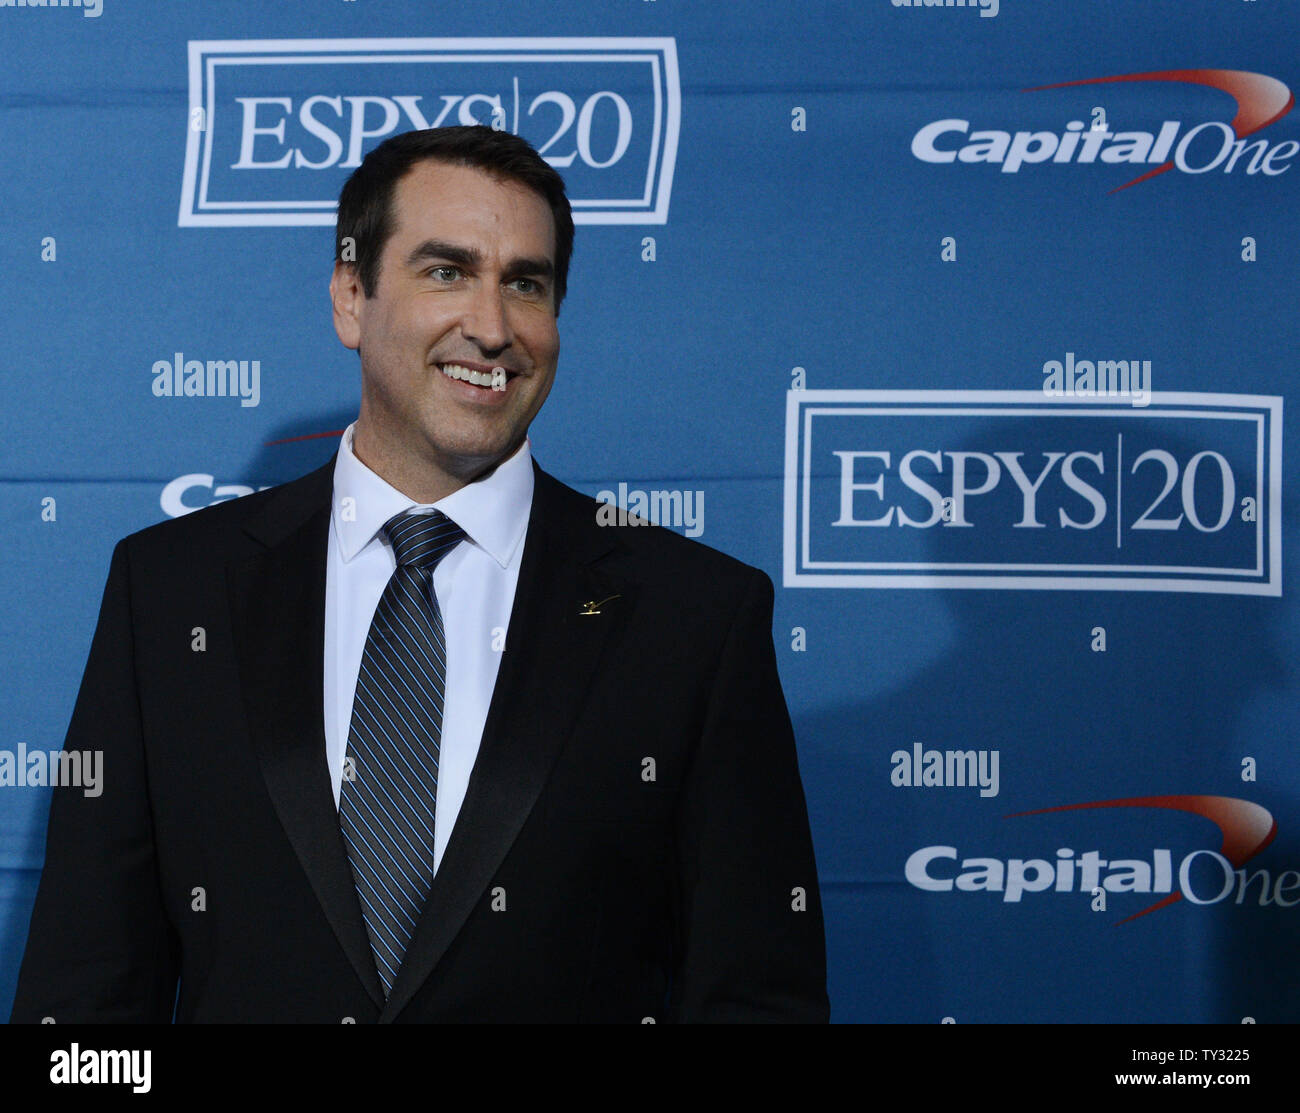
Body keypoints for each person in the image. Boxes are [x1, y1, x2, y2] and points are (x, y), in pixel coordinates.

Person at [10, 126, 829, 1023]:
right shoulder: (169, 592)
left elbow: (756, 999)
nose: (492, 325)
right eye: (446, 271)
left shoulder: (693, 616)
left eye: (527, 283)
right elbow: (85, 999)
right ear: (351, 298)